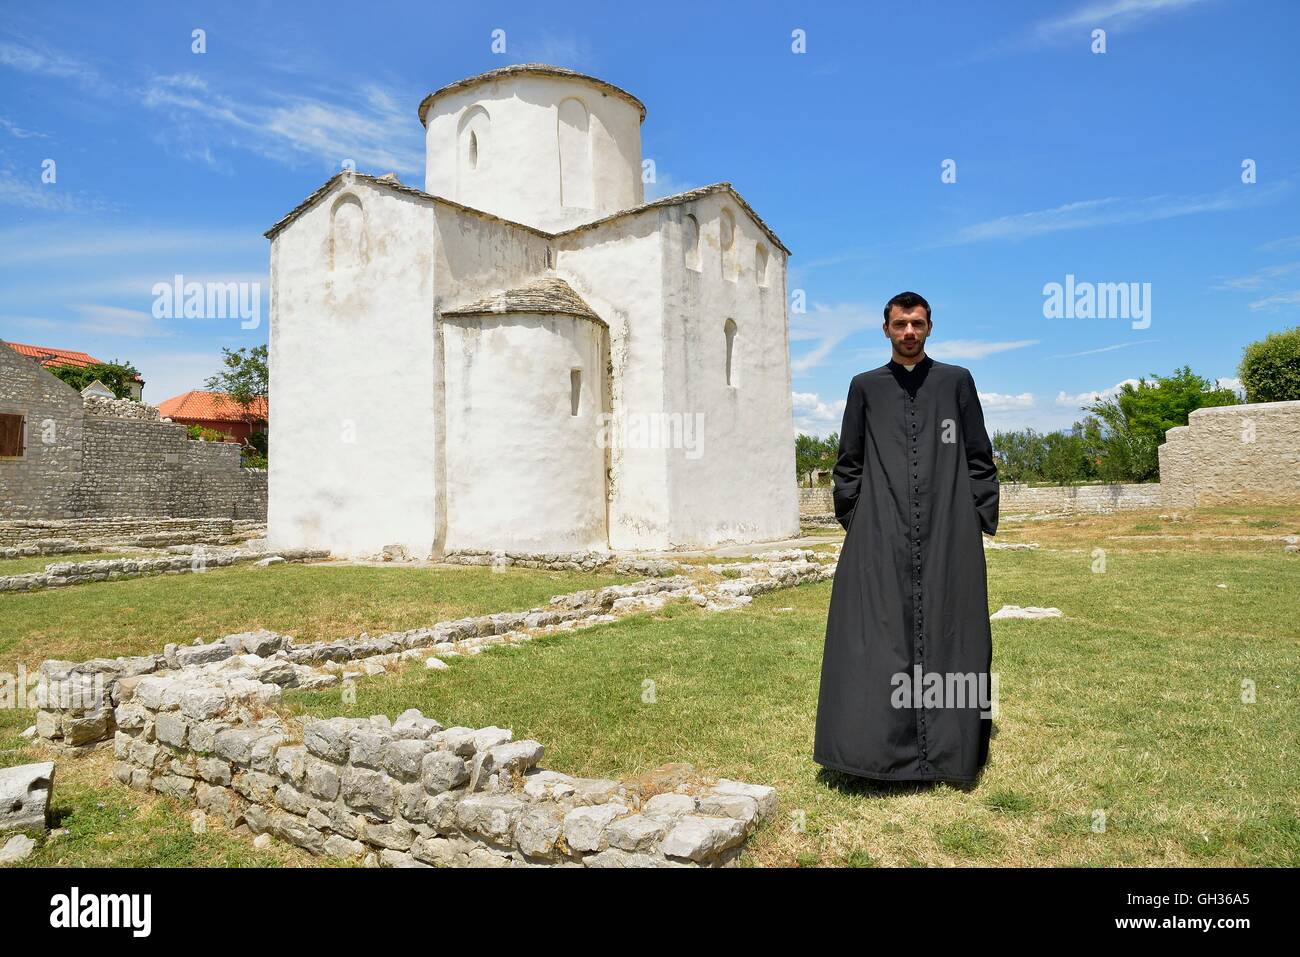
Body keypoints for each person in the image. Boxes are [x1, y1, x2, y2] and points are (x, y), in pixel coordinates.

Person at [813, 291, 999, 784]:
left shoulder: (956, 382)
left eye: (917, 324)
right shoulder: (865, 387)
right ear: (887, 330)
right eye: (900, 325)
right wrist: (857, 517)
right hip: (880, 527)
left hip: (948, 527)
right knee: (876, 635)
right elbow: (847, 462)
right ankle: (875, 751)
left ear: (930, 327)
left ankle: (948, 750)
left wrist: (975, 517)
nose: (909, 332)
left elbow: (979, 455)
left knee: (951, 628)